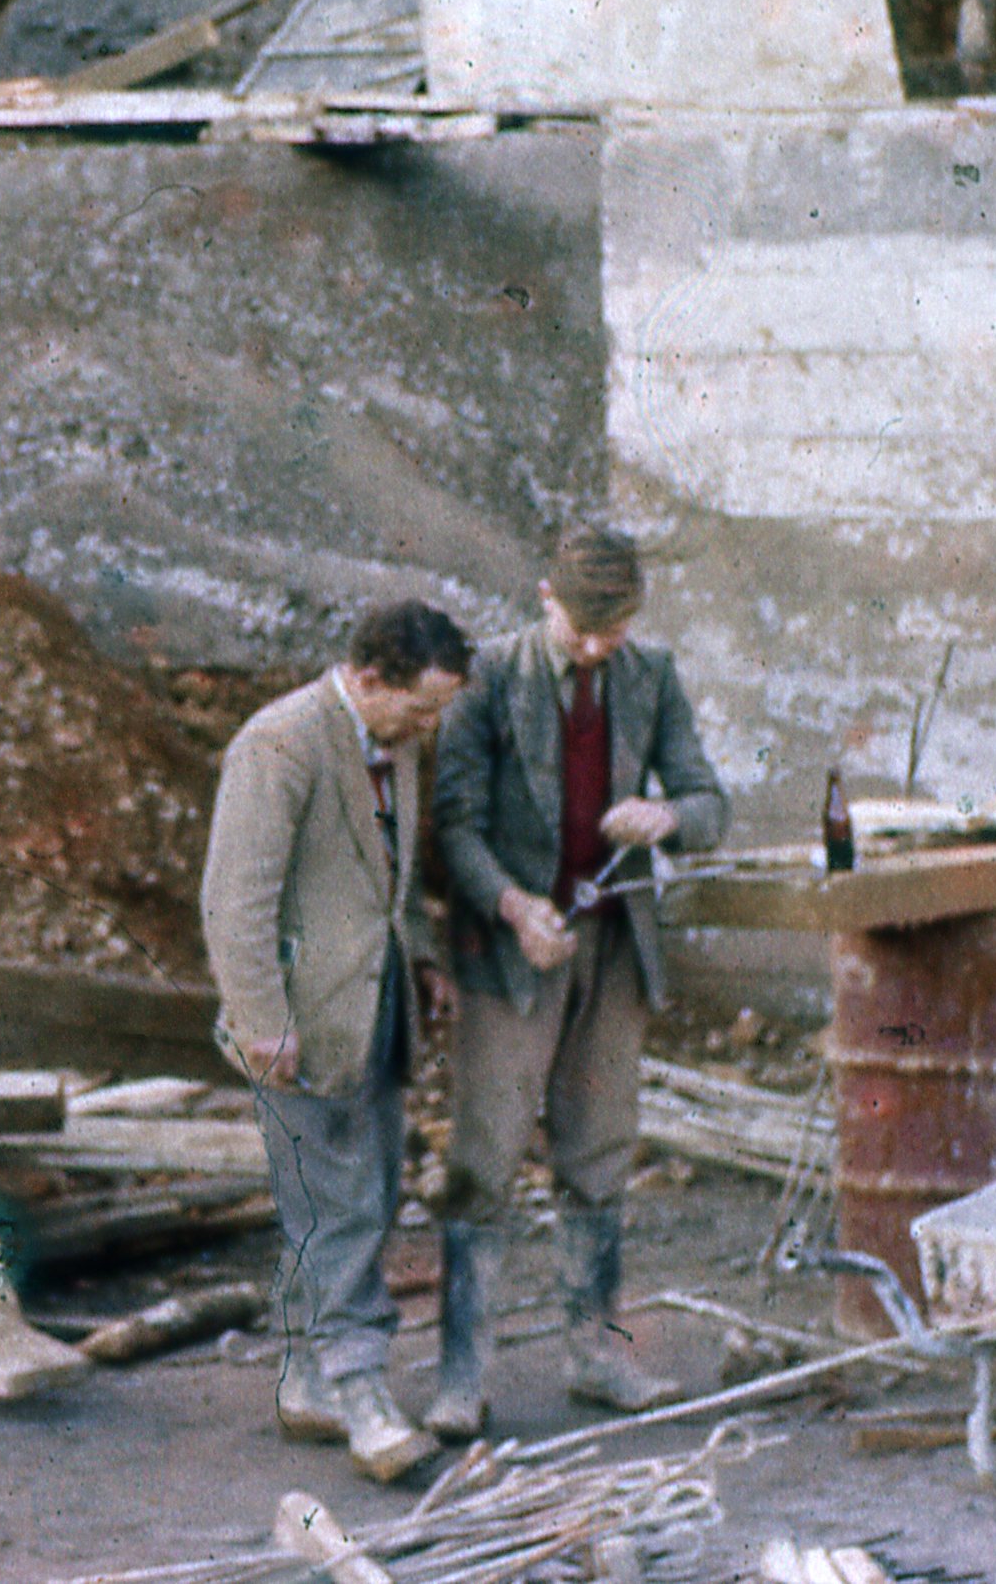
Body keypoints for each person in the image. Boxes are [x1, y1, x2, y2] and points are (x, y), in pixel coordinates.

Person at [424, 525, 726, 1440]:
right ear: (546, 596)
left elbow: (712, 802)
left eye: (615, 628)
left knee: (598, 1152)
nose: (598, 647)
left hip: (612, 945)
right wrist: (514, 905)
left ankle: (598, 1353)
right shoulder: (489, 679)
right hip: (511, 950)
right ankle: (459, 1375)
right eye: (583, 627)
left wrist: (668, 812)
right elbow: (453, 824)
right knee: (485, 1158)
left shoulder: (652, 675)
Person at [199, 599, 476, 1484]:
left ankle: (306, 1379)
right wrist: (262, 1020)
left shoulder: (389, 741)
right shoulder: (279, 746)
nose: (429, 728)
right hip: (304, 1018)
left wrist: (425, 958)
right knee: (344, 1204)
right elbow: (233, 903)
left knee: (350, 1194)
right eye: (420, 708)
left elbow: (388, 879)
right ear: (366, 677)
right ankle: (362, 1396)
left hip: (376, 1006)